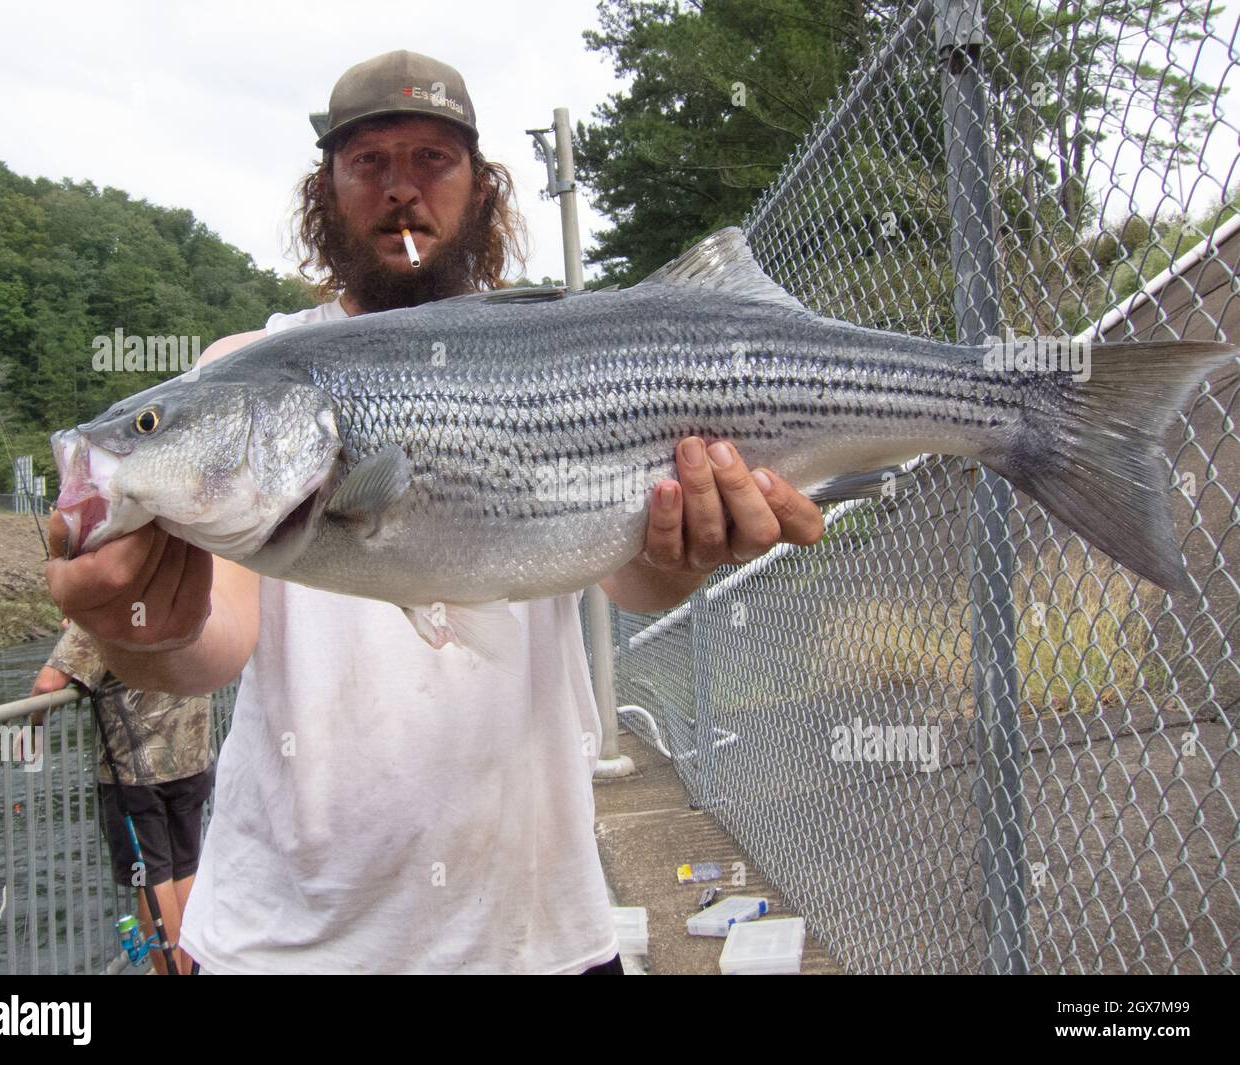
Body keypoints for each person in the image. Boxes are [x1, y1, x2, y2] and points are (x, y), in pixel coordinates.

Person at [45, 49, 824, 974]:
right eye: (368, 162)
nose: (400, 190)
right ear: (326, 190)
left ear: (483, 187)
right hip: (282, 942)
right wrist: (137, 627)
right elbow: (210, 641)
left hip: (535, 935)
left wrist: (691, 543)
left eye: (432, 159)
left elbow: (635, 578)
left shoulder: (561, 336)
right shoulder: (246, 363)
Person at [31, 620, 214, 975]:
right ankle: (193, 968)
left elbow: (47, 685)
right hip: (192, 759)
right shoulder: (181, 595)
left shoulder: (103, 610)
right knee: (185, 869)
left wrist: (33, 729)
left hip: (136, 774)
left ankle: (169, 972)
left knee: (152, 876)